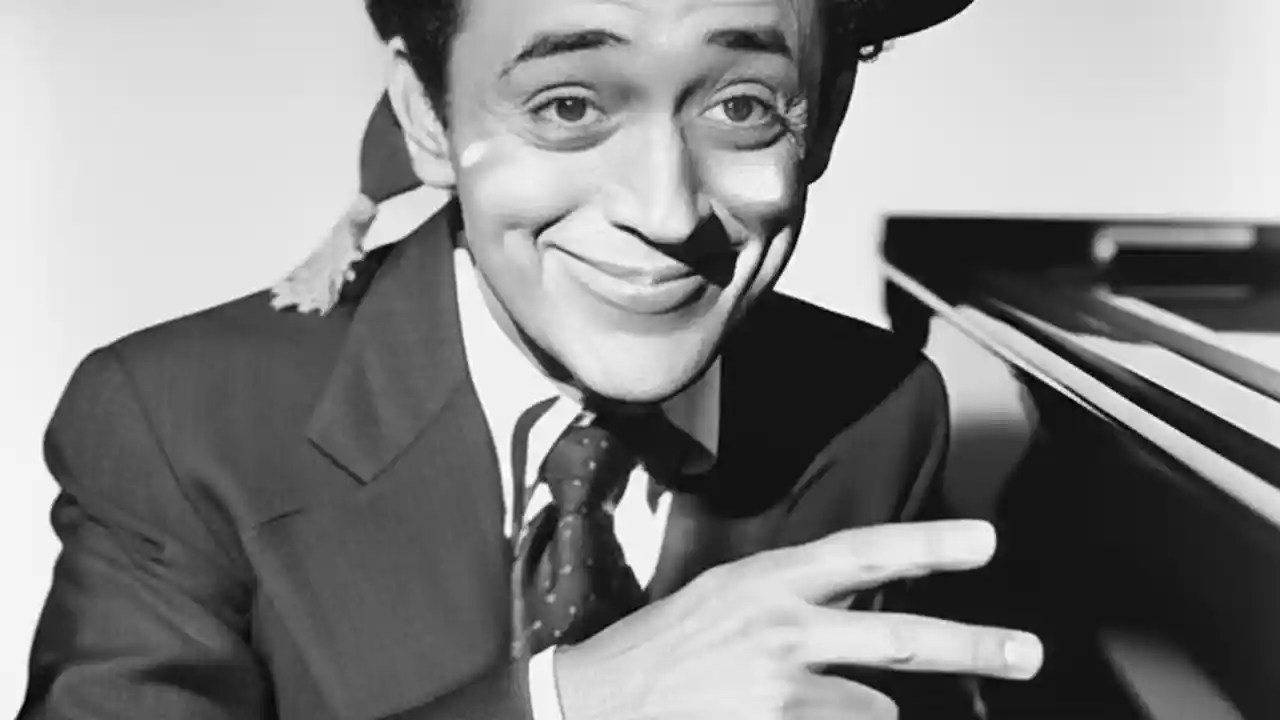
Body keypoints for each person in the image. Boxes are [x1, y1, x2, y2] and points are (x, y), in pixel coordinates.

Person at [19, 0, 1044, 718]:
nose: (664, 209)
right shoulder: (173, 419)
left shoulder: (878, 411)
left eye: (740, 105)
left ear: (818, 120)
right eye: (566, 105)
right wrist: (573, 703)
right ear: (428, 118)